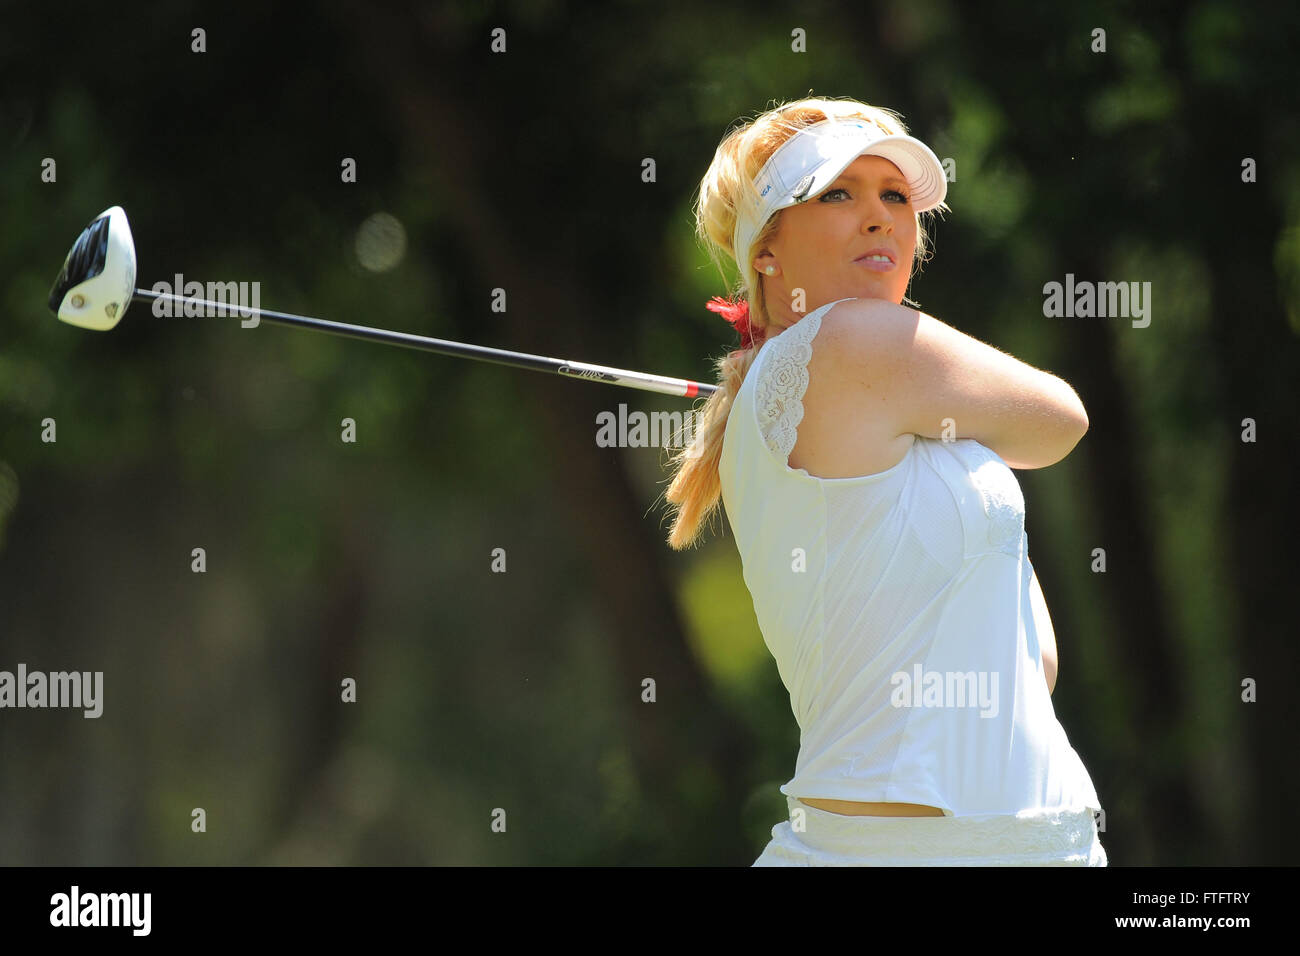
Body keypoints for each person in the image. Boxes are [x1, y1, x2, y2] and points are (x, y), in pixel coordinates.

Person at [662, 96, 1107, 866]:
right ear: (765, 250)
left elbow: (1032, 663)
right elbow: (1060, 419)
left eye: (895, 196)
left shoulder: (871, 406)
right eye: (837, 193)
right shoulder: (854, 339)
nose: (880, 217)